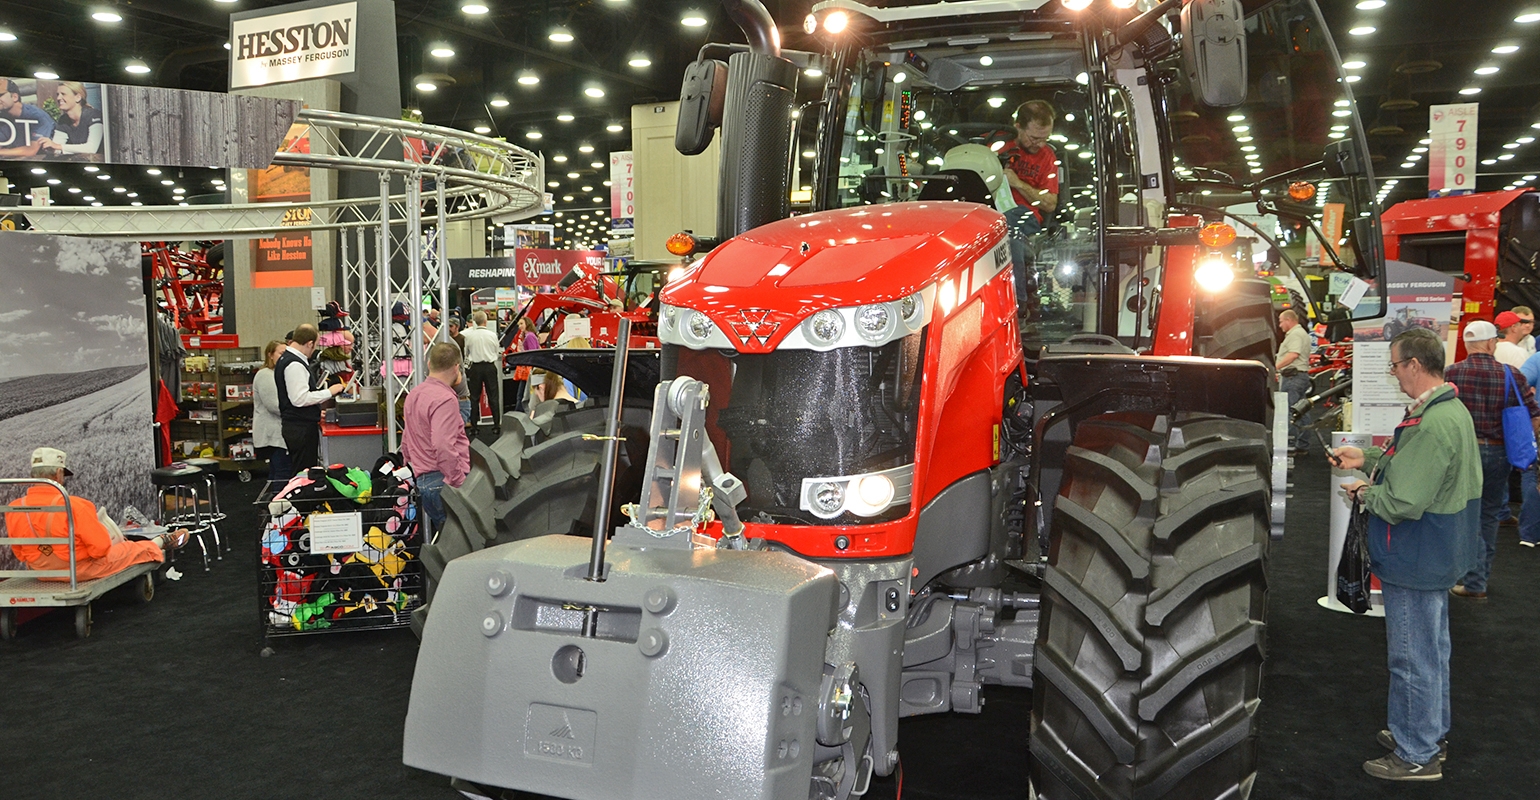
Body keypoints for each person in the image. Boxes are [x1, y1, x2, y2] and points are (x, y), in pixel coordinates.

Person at [1334, 329, 1480, 782]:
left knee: (1412, 656)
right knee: (1432, 651)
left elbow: (1402, 503)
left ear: (1415, 365)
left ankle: (1416, 752)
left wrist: (1364, 489)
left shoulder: (1432, 423)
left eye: (1395, 365)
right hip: (1437, 552)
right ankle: (1425, 732)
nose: (1393, 374)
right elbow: (1412, 464)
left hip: (1415, 557)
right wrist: (1369, 456)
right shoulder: (1448, 412)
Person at [1443, 319, 1540, 599]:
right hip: (1499, 453)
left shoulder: (1452, 373)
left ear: (1467, 343)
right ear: (1490, 343)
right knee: (1488, 516)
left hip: (1464, 452)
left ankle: (1467, 577)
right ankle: (1477, 581)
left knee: (1463, 514)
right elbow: (1533, 417)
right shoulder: (1510, 374)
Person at [5, 448, 187, 582]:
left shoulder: (14, 508)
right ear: (59, 473)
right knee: (129, 549)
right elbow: (100, 549)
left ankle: (160, 541)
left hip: (41, 573)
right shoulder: (76, 506)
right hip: (79, 571)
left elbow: (20, 554)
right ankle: (161, 541)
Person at [401, 342, 469, 532]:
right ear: (456, 367)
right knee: (460, 546)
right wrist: (458, 481)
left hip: (424, 479)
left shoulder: (413, 394)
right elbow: (443, 445)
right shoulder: (446, 399)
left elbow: (406, 439)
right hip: (443, 481)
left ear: (429, 364)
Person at [275, 323, 348, 472]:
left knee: (301, 471)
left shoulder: (286, 359)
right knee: (304, 474)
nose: (313, 350)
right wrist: (330, 392)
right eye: (314, 346)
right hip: (300, 428)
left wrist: (314, 410)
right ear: (309, 343)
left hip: (296, 425)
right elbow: (299, 399)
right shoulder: (294, 364)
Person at [252, 340, 291, 485]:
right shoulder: (265, 375)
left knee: (278, 472)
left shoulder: (278, 374)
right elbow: (274, 405)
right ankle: (279, 505)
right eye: (281, 353)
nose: (284, 357)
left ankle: (272, 504)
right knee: (282, 472)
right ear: (270, 355)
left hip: (278, 433)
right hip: (273, 434)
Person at [1276, 309, 1313, 454]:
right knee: (1302, 411)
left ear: (1289, 320)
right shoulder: (1300, 333)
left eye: (1281, 321)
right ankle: (1302, 444)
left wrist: (1275, 367)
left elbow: (1293, 354)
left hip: (1293, 378)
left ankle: (1289, 444)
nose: (1280, 325)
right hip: (1299, 377)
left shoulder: (1296, 335)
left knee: (1289, 411)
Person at [461, 311, 503, 437]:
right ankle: (496, 425)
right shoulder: (492, 335)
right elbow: (496, 350)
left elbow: (466, 352)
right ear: (486, 321)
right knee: (493, 396)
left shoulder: (469, 336)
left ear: (474, 322)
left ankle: (474, 426)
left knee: (474, 397)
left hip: (475, 367)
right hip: (490, 367)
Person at [39, 81, 103, 157]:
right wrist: (49, 148)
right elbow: (57, 149)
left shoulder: (93, 115)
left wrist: (57, 146)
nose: (59, 98)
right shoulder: (63, 120)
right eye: (58, 94)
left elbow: (91, 148)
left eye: (63, 94)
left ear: (78, 97)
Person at [0, 78, 54, 158]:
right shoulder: (3, 117)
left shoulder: (36, 116)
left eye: (0, 95)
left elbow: (32, 150)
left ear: (15, 97)